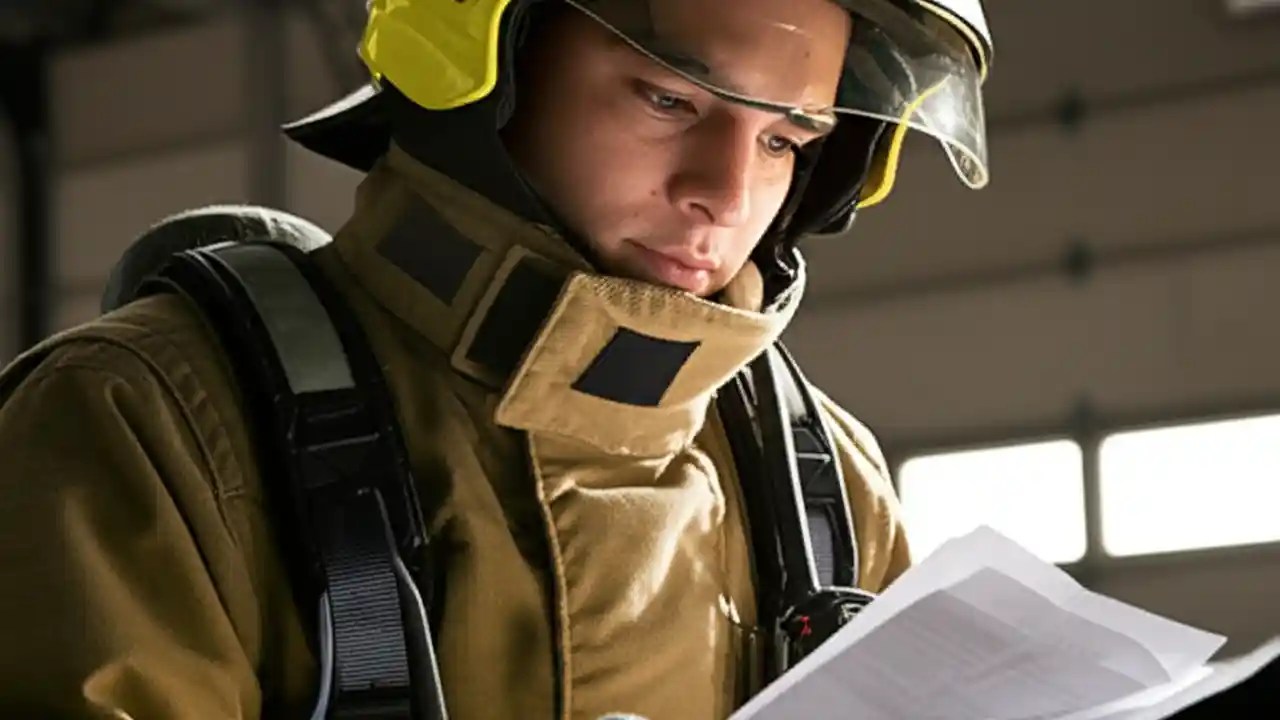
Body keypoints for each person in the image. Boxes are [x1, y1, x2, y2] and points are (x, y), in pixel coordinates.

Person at [0, 0, 993, 717]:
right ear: (485, 61)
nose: (725, 193)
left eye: (784, 140)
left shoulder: (825, 487)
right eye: (666, 99)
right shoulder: (142, 426)